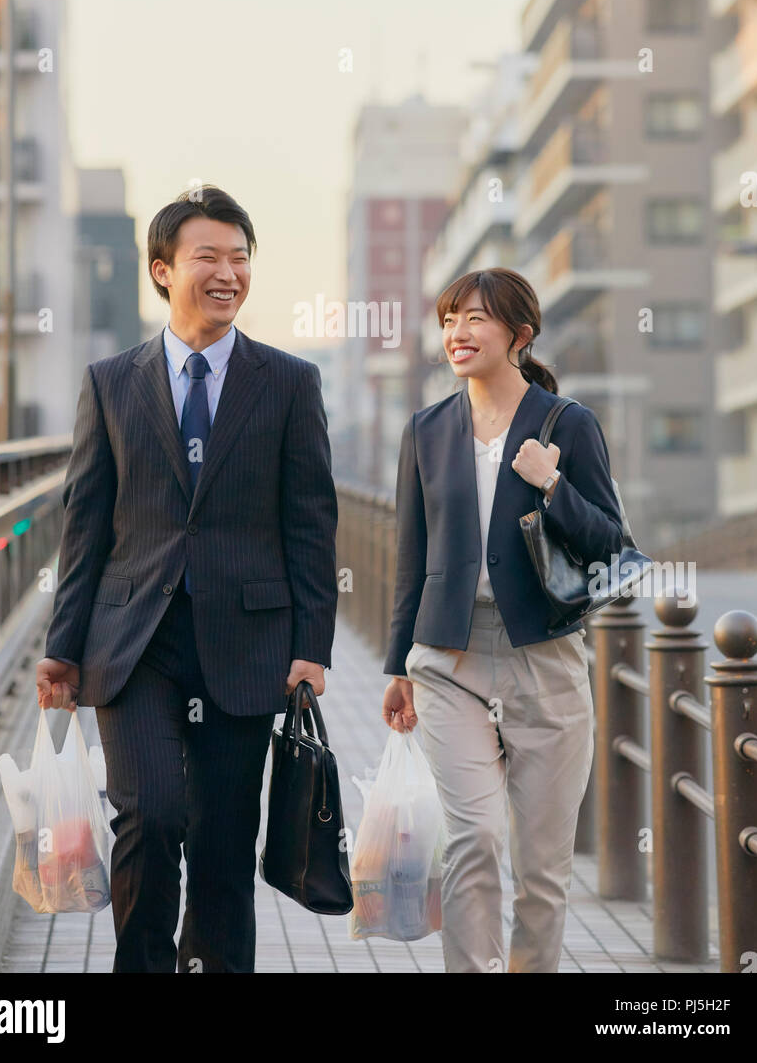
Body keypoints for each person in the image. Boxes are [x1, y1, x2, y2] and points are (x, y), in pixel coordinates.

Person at [35, 185, 339, 973]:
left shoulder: (289, 383)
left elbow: (312, 524)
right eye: (209, 257)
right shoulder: (110, 383)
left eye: (241, 259)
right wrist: (61, 647)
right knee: (150, 816)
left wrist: (314, 646)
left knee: (222, 843)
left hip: (247, 644)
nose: (228, 273)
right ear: (164, 270)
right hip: (135, 642)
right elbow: (85, 525)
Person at [381, 267, 622, 973]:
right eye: (450, 318)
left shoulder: (568, 424)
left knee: (543, 874)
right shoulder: (426, 430)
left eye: (474, 318)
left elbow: (609, 540)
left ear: (519, 335)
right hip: (448, 659)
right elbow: (410, 556)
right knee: (475, 839)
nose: (457, 332)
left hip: (543, 656)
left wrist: (552, 483)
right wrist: (397, 665)